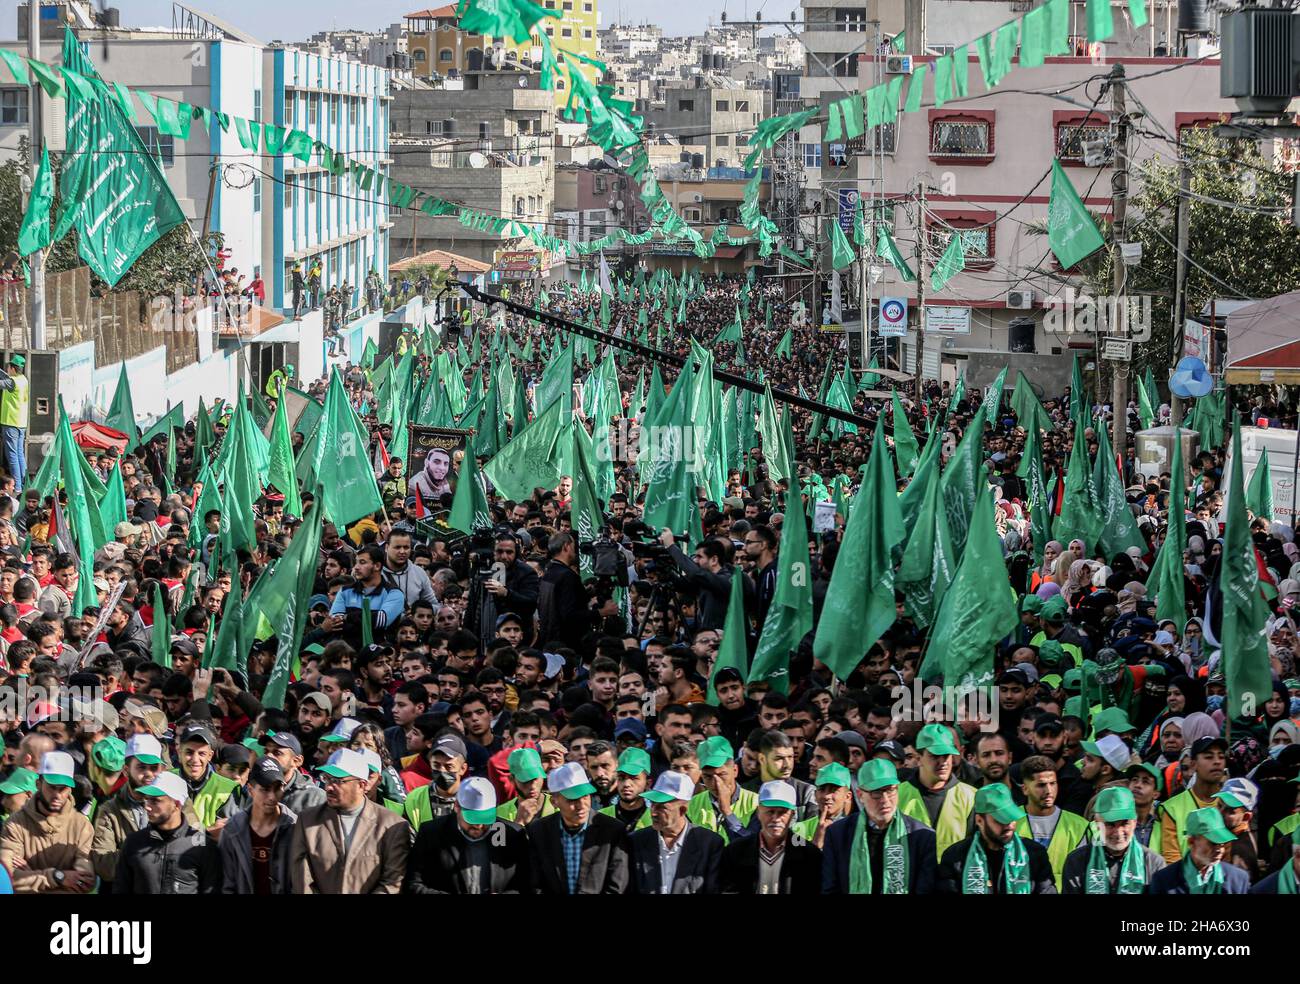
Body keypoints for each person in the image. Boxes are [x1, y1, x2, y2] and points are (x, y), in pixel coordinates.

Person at [822, 759, 938, 894]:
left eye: (890, 790)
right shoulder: (838, 834)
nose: (885, 800)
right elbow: (830, 888)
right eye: (876, 792)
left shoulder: (922, 837)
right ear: (860, 795)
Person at [404, 777, 531, 894]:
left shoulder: (512, 835)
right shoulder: (432, 833)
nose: (479, 825)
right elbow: (413, 884)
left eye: (485, 819)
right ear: (457, 807)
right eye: (472, 819)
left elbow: (527, 885)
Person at [525, 761, 629, 894]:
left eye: (585, 796)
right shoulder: (539, 831)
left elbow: (616, 886)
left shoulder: (612, 830)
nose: (581, 805)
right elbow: (535, 884)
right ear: (554, 801)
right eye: (572, 800)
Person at [113, 771, 222, 895]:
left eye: (155, 801)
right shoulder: (133, 843)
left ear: (176, 804)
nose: (147, 806)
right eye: (147, 800)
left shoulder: (202, 846)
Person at [0, 752, 94, 893]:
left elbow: (84, 882)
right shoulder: (14, 823)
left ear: (70, 789)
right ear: (38, 784)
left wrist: (32, 876)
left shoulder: (82, 826)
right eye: (51, 786)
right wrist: (58, 877)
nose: (57, 795)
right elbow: (7, 879)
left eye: (62, 788)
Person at [937, 785, 1057, 894]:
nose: (1009, 825)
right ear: (979, 820)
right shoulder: (955, 857)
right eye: (1001, 820)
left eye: (1011, 818)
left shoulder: (1034, 854)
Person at [91, 733, 165, 892]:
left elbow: (191, 848)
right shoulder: (109, 810)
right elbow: (103, 864)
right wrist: (147, 853)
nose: (149, 774)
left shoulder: (177, 802)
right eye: (141, 767)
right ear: (126, 770)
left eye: (154, 768)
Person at [629, 770, 724, 894]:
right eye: (652, 804)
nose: (653, 812)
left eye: (662, 807)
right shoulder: (637, 841)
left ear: (683, 810)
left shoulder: (709, 844)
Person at [719, 780, 822, 894]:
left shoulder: (809, 854)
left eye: (782, 812)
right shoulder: (736, 851)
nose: (776, 818)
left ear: (792, 814)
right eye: (770, 812)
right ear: (759, 812)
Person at [1061, 787, 1166, 893]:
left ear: (1134, 823)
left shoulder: (1154, 863)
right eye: (1110, 824)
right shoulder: (1076, 862)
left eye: (1125, 823)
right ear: (1097, 824)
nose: (1118, 832)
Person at [219, 756, 298, 895]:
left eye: (277, 788)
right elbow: (227, 883)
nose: (272, 796)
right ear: (250, 789)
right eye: (265, 789)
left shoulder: (294, 827)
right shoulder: (232, 830)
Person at [897, 723, 976, 858]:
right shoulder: (897, 795)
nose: (943, 762)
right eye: (934, 756)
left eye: (946, 756)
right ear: (918, 758)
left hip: (953, 877)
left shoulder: (971, 796)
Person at [1012, 755, 1089, 890]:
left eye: (1052, 783)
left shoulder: (1079, 826)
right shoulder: (1010, 822)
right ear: (1025, 789)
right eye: (1041, 785)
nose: (1049, 791)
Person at [1158, 734, 1229, 863]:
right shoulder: (1172, 808)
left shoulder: (1232, 805)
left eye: (1221, 756)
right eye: (1209, 757)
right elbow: (1172, 860)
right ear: (1193, 764)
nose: (1217, 761)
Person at [1147, 807, 1252, 894]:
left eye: (1222, 843)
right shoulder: (1163, 880)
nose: (1220, 849)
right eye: (1213, 843)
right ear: (1191, 842)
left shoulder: (1238, 880)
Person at [0, 354, 29, 489]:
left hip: (11, 422)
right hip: (21, 423)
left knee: (12, 456)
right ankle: (23, 482)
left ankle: (17, 487)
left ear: (12, 368)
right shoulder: (23, 380)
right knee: (19, 454)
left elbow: (3, 383)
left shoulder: (13, 382)